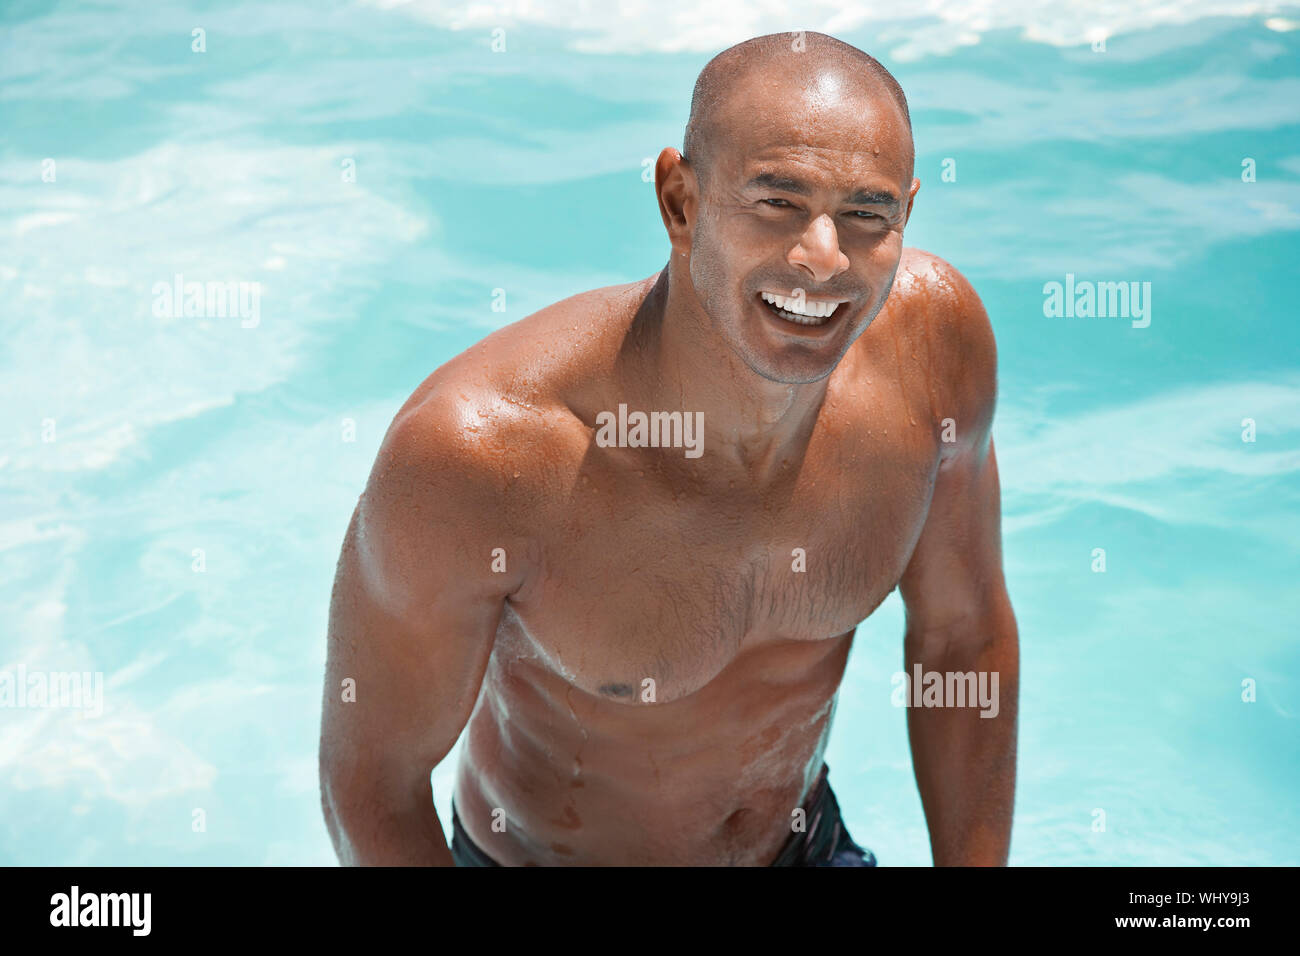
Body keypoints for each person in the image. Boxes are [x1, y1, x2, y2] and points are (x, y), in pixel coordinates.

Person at [319, 30, 1019, 866]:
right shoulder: (482, 452)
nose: (822, 259)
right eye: (777, 201)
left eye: (867, 215)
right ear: (679, 202)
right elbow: (372, 785)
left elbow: (960, 639)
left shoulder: (934, 351)